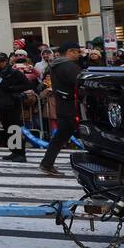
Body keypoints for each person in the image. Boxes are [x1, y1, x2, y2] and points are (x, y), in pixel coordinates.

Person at [40, 43, 84, 175]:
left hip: (62, 105)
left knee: (60, 136)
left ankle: (47, 163)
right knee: (88, 136)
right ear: (70, 51)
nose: (79, 55)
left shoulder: (55, 65)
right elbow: (80, 83)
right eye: (77, 52)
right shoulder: (69, 66)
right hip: (73, 106)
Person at [0, 52, 37, 161]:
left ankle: (20, 153)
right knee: (7, 129)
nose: (0, 64)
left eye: (2, 61)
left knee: (14, 128)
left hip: (12, 103)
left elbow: (27, 84)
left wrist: (11, 88)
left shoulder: (14, 72)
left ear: (6, 61)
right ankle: (13, 151)